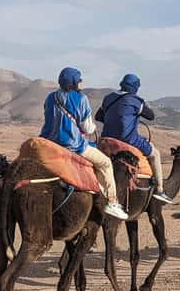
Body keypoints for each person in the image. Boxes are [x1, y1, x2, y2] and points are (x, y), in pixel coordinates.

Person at [41, 67, 130, 221]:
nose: (81, 83)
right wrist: (94, 128)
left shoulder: (50, 97)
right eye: (79, 80)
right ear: (75, 82)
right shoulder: (81, 99)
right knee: (105, 163)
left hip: (48, 143)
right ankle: (112, 202)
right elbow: (87, 128)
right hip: (72, 145)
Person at [94, 73, 173, 204]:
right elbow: (151, 116)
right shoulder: (136, 101)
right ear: (136, 87)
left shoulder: (108, 98)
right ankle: (159, 189)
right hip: (129, 139)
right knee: (155, 154)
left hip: (107, 139)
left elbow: (98, 116)